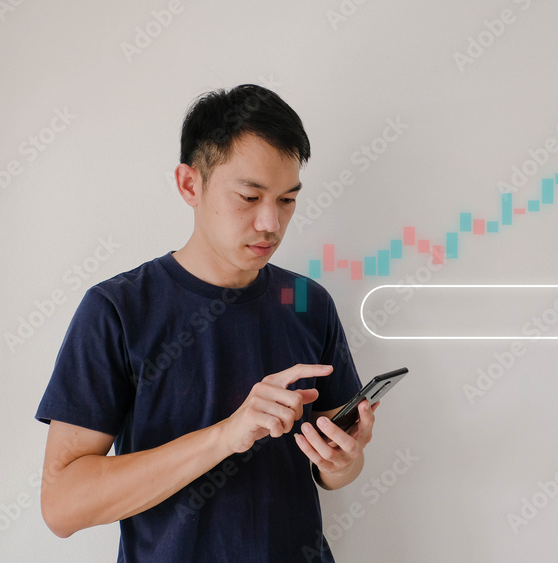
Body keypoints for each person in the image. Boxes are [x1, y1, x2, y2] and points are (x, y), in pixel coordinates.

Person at [34, 84, 378, 562]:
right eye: (250, 196)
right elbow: (62, 505)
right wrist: (225, 436)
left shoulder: (306, 300)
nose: (270, 224)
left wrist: (344, 459)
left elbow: (332, 471)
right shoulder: (116, 309)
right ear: (189, 185)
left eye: (286, 200)